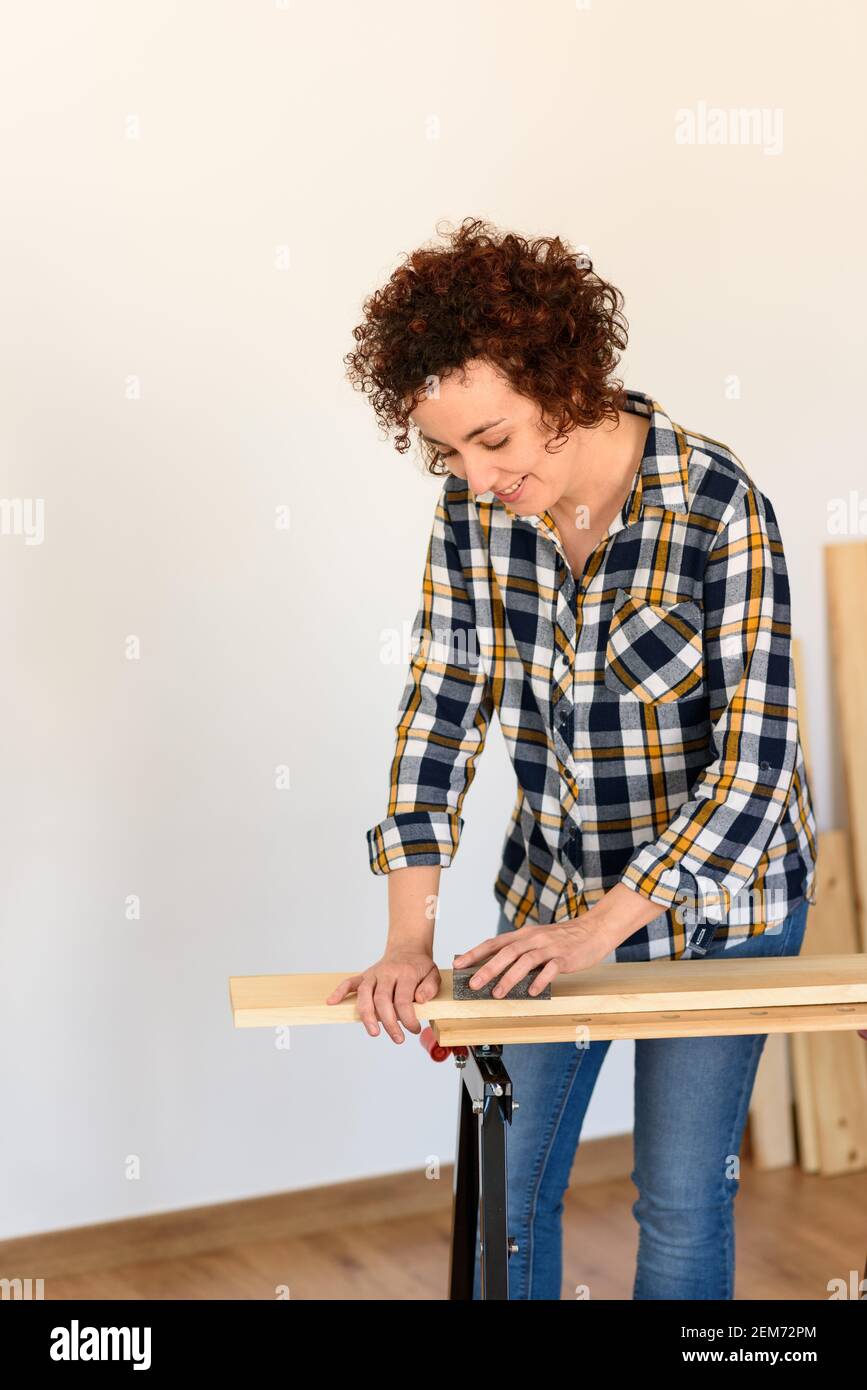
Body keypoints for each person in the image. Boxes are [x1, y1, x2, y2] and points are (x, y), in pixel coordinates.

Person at [330, 217, 818, 1299]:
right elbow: (441, 706)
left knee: (682, 1199)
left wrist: (593, 933)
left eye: (493, 440)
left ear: (566, 377)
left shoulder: (718, 506)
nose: (473, 473)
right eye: (447, 451)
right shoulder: (474, 514)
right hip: (555, 883)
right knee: (504, 1195)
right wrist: (409, 936)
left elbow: (757, 772)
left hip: (718, 916)